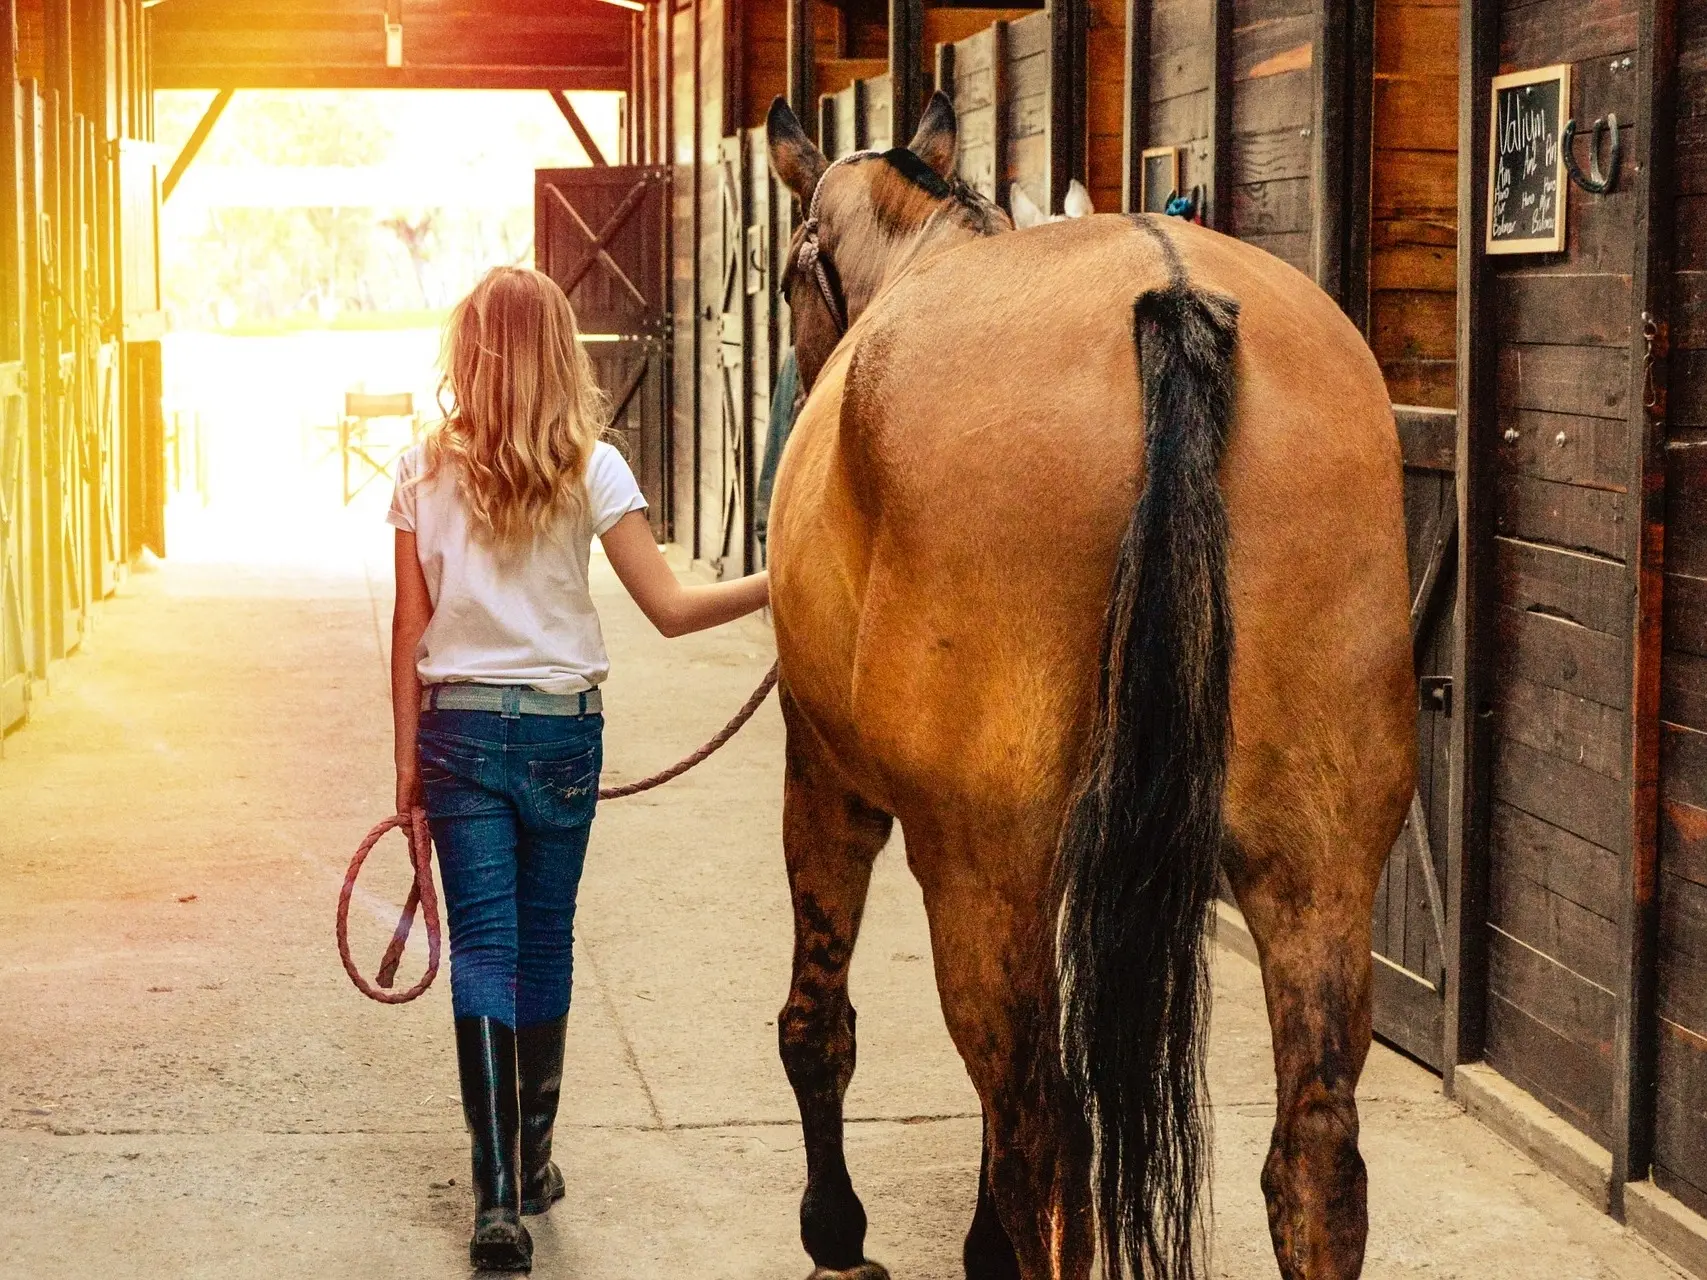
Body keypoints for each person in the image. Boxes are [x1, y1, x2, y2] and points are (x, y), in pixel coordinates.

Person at [387, 266, 769, 1272]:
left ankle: (498, 1197)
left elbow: (406, 629)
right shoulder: (592, 468)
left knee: (482, 947)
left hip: (457, 731)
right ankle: (538, 1154)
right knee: (544, 941)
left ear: (468, 351)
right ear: (561, 352)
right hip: (561, 732)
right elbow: (675, 610)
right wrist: (788, 575)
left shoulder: (418, 471)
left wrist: (405, 769)